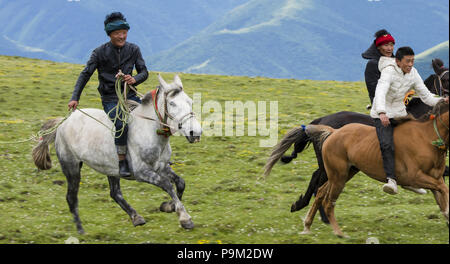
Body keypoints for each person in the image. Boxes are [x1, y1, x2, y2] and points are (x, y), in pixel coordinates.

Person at [68, 12, 149, 176]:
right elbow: (85, 74)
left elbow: (144, 72)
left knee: (150, 119)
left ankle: (153, 156)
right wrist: (75, 97)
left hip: (130, 96)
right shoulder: (99, 53)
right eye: (118, 33)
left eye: (124, 32)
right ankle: (122, 161)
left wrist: (134, 79)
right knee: (121, 124)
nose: (122, 36)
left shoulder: (134, 49)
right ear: (110, 34)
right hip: (110, 99)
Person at [370, 46, 449, 194]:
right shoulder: (388, 72)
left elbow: (426, 97)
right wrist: (381, 112)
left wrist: (443, 101)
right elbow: (380, 92)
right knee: (387, 144)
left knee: (413, 142)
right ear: (398, 61)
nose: (411, 64)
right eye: (407, 61)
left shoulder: (413, 73)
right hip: (382, 114)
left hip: (400, 113)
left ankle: (409, 180)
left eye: (413, 61)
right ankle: (391, 180)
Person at [362, 29, 395, 107]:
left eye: (391, 45)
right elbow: (374, 90)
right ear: (378, 47)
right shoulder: (373, 64)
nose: (389, 48)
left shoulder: (395, 63)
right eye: (386, 45)